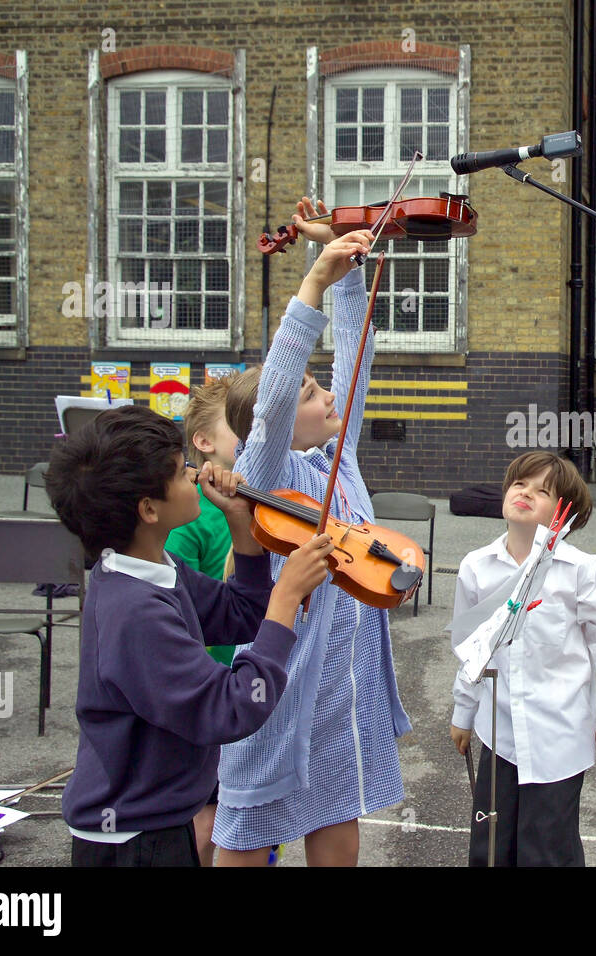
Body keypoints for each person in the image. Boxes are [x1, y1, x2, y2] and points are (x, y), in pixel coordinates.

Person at [44, 404, 332, 866]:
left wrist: (242, 524)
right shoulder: (134, 611)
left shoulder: (151, 569)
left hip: (158, 820)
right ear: (148, 509)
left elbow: (242, 612)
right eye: (181, 473)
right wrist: (287, 599)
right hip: (132, 841)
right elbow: (232, 707)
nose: (198, 476)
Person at [213, 205, 409, 868]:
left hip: (346, 684)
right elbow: (268, 407)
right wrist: (311, 289)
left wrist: (347, 270)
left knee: (336, 814)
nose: (327, 396)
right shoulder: (266, 470)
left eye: (320, 388)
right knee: (249, 826)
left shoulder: (338, 459)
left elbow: (356, 356)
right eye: (310, 393)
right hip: (286, 683)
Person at [449, 451, 596, 866]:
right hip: (499, 734)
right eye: (519, 484)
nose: (526, 493)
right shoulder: (476, 567)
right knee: (491, 845)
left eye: (542, 490)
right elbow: (471, 650)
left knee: (548, 849)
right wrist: (463, 712)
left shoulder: (579, 569)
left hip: (559, 736)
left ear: (562, 514)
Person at [165, 376, 241, 865]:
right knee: (211, 814)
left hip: (258, 675)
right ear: (204, 442)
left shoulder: (275, 492)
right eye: (242, 427)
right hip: (215, 683)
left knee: (251, 815)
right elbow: (180, 606)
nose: (256, 435)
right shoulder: (191, 512)